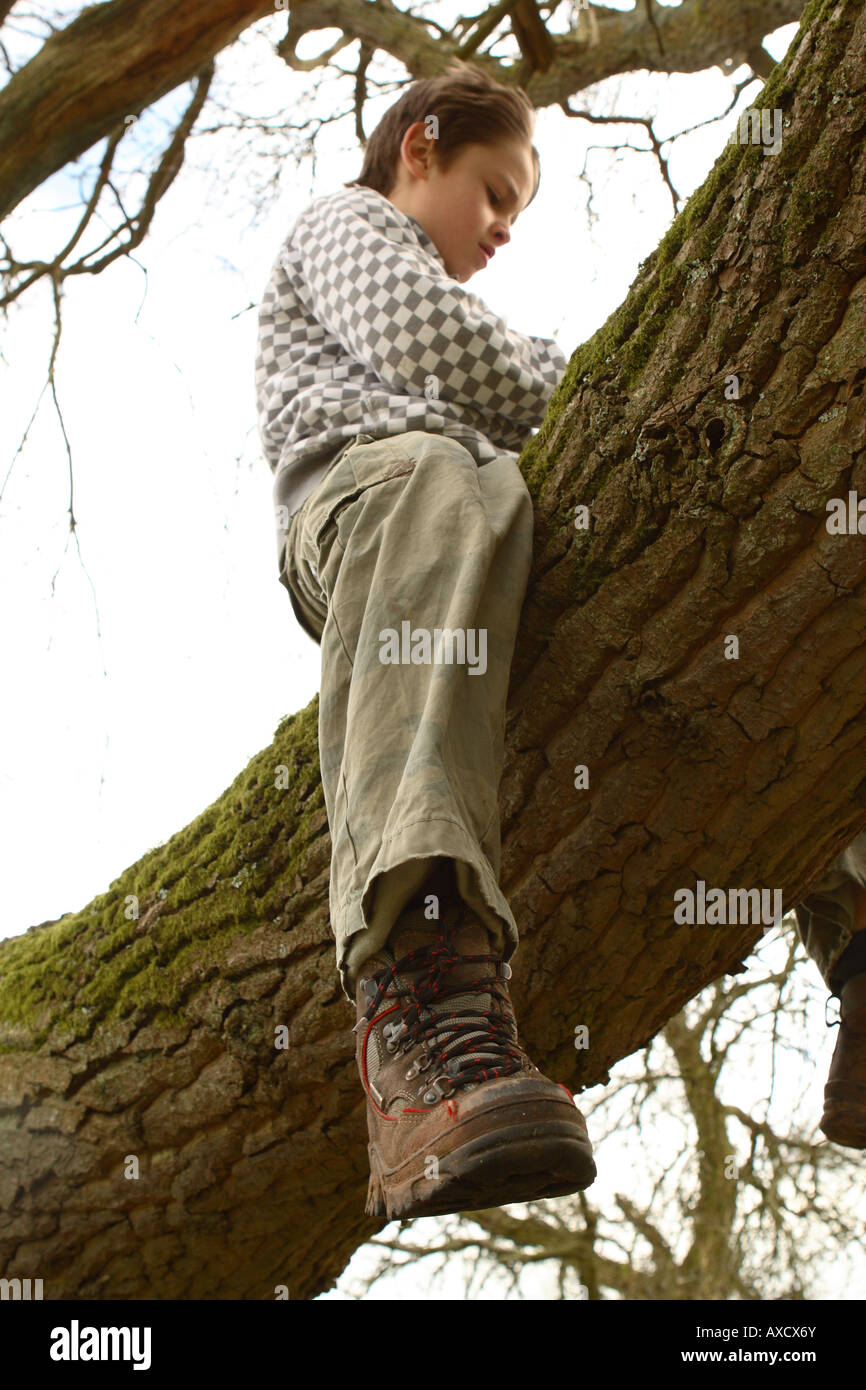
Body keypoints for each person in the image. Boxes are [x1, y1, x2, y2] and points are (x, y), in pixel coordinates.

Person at [255, 61, 865, 1223]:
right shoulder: (346, 224)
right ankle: (414, 997)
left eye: (515, 215)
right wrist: (600, 387)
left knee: (731, 590)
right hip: (363, 515)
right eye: (493, 193)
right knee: (442, 478)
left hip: (482, 531)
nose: (497, 232)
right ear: (420, 146)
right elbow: (440, 346)